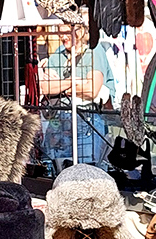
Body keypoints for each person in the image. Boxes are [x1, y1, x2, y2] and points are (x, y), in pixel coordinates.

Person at [39, 25, 115, 169]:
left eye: (67, 32)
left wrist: (60, 87)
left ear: (79, 31)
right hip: (60, 121)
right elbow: (46, 87)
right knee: (61, 172)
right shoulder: (58, 54)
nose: (63, 36)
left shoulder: (94, 51)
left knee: (87, 171)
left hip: (88, 119)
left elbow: (92, 90)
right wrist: (74, 81)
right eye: (60, 32)